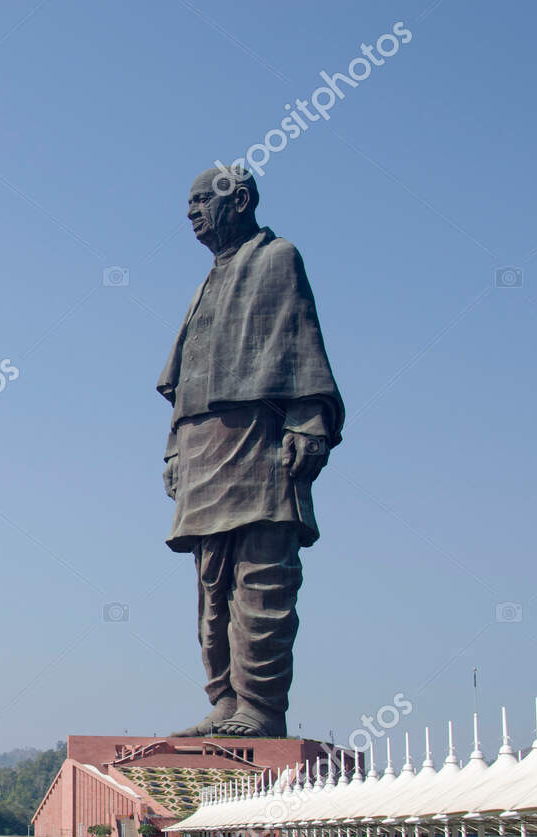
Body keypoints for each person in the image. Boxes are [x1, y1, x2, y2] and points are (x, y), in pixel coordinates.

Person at [157, 166, 344, 738]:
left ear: (238, 200)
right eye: (186, 203)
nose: (191, 212)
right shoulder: (205, 282)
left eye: (200, 201)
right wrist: (173, 451)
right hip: (201, 446)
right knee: (211, 584)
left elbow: (300, 340)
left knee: (262, 575)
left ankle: (260, 707)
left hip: (259, 442)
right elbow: (183, 377)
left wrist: (308, 419)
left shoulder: (277, 258)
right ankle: (224, 699)